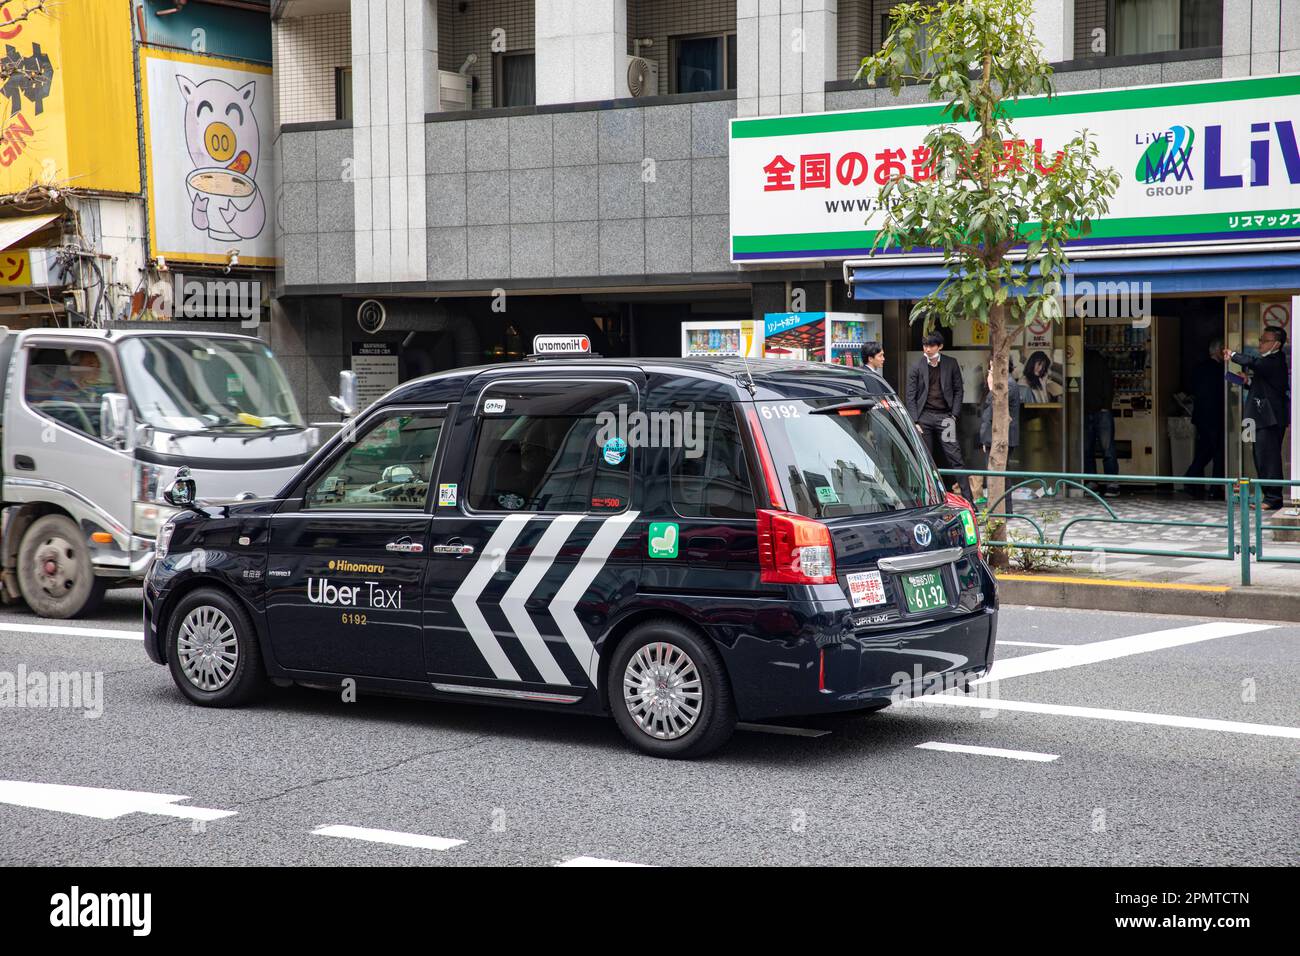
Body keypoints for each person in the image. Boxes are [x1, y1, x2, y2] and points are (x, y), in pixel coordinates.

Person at [1226, 326, 1290, 511]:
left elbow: (1255, 363)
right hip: (1262, 417)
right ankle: (1268, 496)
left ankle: (1273, 498)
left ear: (1276, 344)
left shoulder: (1275, 360)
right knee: (1261, 456)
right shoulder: (1268, 362)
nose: (1260, 343)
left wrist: (1233, 354)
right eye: (1260, 340)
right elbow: (1265, 386)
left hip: (1270, 418)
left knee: (1269, 458)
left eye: (1264, 340)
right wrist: (1247, 382)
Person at [905, 331, 973, 502]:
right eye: (925, 345)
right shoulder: (917, 366)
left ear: (940, 346)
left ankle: (969, 500)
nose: (927, 349)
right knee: (925, 459)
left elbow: (959, 391)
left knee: (955, 456)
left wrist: (954, 416)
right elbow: (910, 396)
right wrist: (915, 421)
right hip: (924, 418)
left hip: (945, 417)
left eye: (931, 346)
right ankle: (928, 500)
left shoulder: (951, 363)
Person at [1183, 338, 1225, 500]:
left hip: (1201, 416)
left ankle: (1191, 479)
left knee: (1205, 450)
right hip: (1216, 416)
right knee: (1218, 453)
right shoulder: (1219, 370)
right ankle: (1214, 488)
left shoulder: (1199, 369)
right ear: (1217, 351)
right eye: (1222, 349)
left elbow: (1192, 390)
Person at [979, 360, 1021, 514]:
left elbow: (993, 409)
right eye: (989, 367)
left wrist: (991, 388)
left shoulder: (1007, 384)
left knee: (998, 475)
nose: (990, 371)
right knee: (999, 474)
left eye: (992, 367)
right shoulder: (1005, 383)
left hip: (1001, 437)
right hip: (995, 436)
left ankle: (1000, 510)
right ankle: (1001, 509)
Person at [1083, 348, 1120, 497]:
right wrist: (1106, 406)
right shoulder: (1102, 363)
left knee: (1088, 449)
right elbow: (1109, 385)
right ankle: (1112, 483)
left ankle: (1092, 482)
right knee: (1107, 449)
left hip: (1087, 411)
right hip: (1102, 411)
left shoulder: (1083, 363)